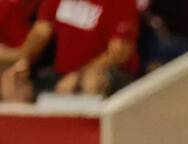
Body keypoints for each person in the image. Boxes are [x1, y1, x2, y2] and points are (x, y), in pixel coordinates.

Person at [0, 0, 140, 100]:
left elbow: (119, 53)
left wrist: (78, 76)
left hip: (108, 74)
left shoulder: (121, 2)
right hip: (61, 75)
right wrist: (21, 62)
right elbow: (40, 34)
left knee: (91, 82)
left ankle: (90, 138)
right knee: (11, 84)